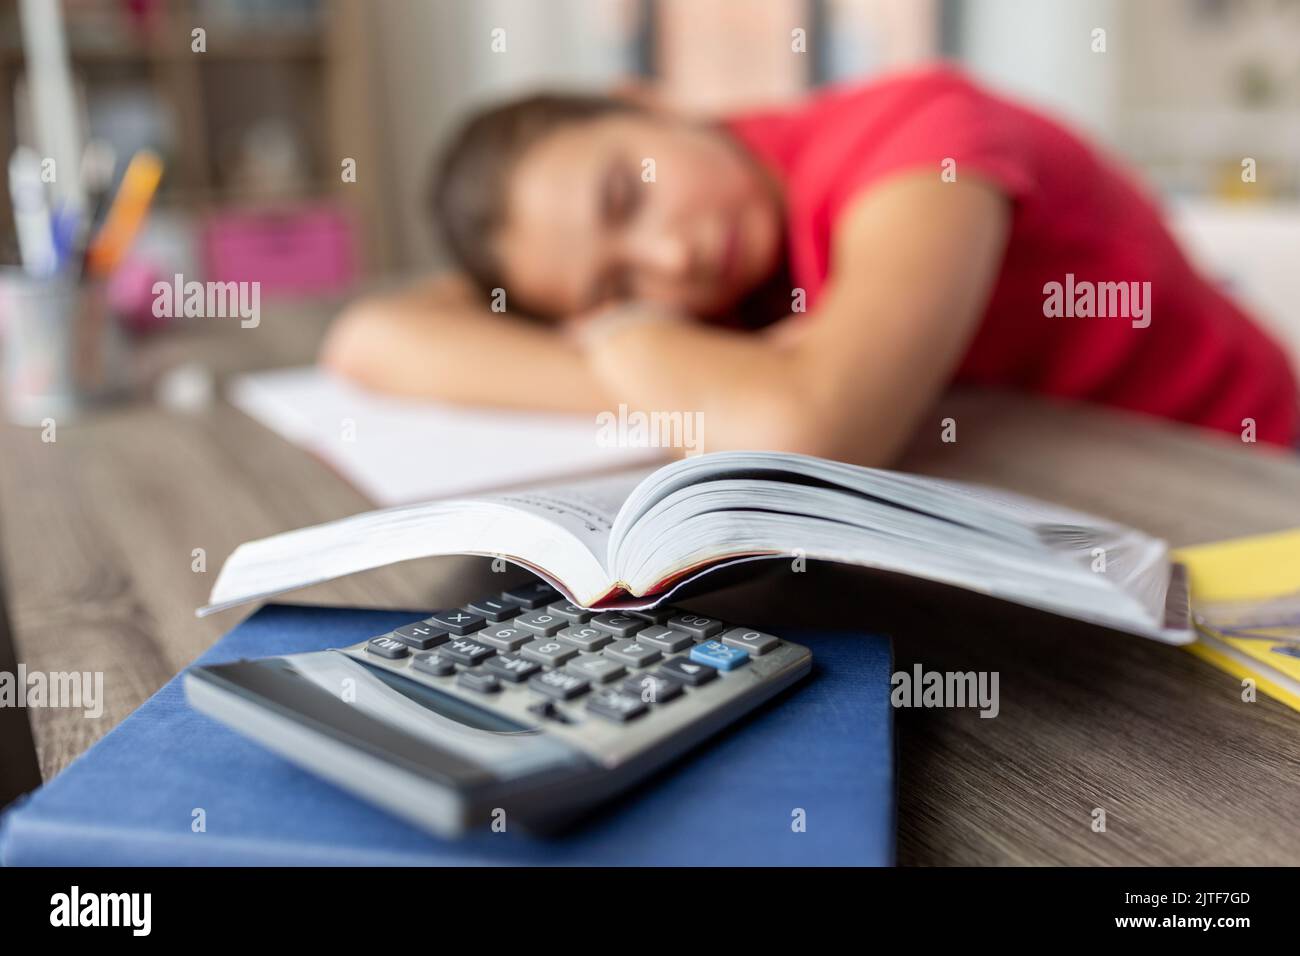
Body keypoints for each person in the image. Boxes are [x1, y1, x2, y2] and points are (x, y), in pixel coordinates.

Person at [320, 66, 1300, 464]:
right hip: (1050, 483)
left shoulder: (920, 134)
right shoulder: (702, 265)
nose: (670, 258)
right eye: (612, 284)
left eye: (628, 192)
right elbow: (369, 335)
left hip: (1238, 477)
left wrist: (633, 339)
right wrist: (647, 363)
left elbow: (807, 424)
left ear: (648, 98)